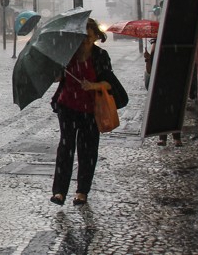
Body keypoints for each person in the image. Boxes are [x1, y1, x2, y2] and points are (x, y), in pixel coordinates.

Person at [49, 17, 128, 206]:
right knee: (65, 147)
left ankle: (82, 192)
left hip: (91, 110)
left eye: (88, 36)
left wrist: (92, 85)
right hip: (67, 106)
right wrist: (56, 73)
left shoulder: (100, 56)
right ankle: (59, 192)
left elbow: (109, 83)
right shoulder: (69, 53)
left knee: (88, 150)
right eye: (81, 36)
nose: (84, 39)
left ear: (95, 37)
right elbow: (58, 79)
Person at [143, 38, 183, 147]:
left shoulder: (172, 46)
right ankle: (163, 138)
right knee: (162, 110)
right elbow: (150, 70)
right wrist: (147, 59)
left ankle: (176, 137)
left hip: (173, 82)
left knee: (174, 109)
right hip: (159, 83)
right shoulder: (154, 46)